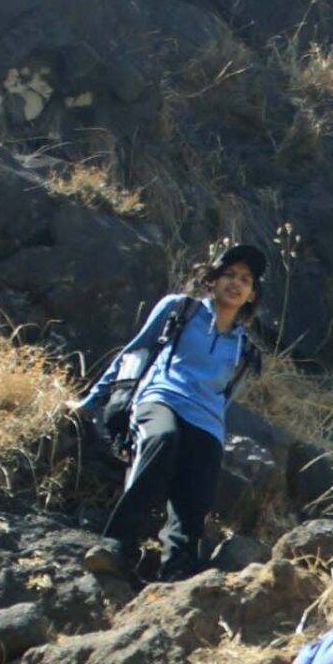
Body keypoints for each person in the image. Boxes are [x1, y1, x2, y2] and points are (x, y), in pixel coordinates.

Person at [81, 243, 268, 582]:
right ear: (213, 279)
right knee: (163, 439)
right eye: (229, 274)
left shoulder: (246, 349)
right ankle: (116, 543)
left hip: (208, 422)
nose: (236, 283)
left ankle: (177, 573)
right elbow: (133, 352)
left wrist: (212, 431)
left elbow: (225, 396)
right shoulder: (180, 309)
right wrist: (90, 401)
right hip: (161, 398)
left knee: (196, 491)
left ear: (252, 294)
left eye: (245, 279)